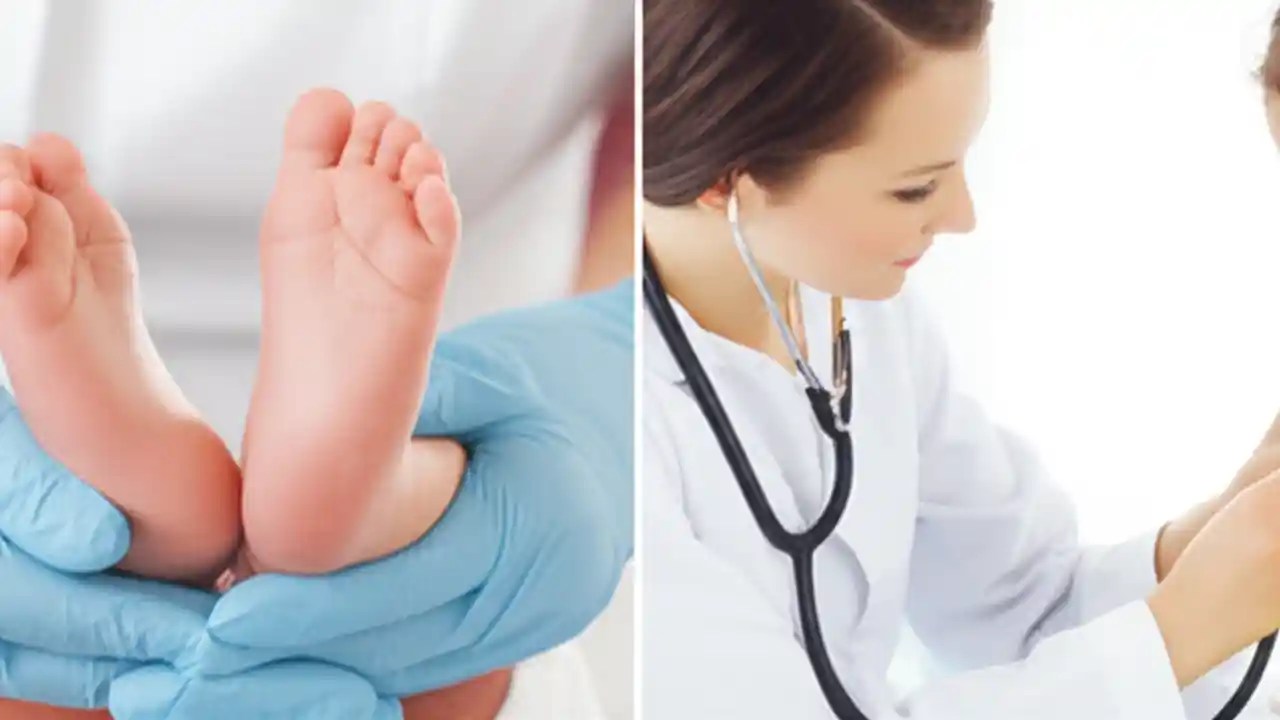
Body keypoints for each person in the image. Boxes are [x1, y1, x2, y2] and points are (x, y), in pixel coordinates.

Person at [641, 1, 1280, 717]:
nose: (962, 215)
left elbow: (1027, 606)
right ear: (726, 181)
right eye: (916, 186)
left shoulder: (860, 313)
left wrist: (1226, 530)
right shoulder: (625, 431)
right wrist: (1184, 631)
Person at [0, 1, 633, 717]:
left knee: (54, 665)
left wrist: (629, 354)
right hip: (436, 361)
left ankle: (146, 518)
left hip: (489, 376)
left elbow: (725, 96)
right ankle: (363, 502)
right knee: (425, 627)